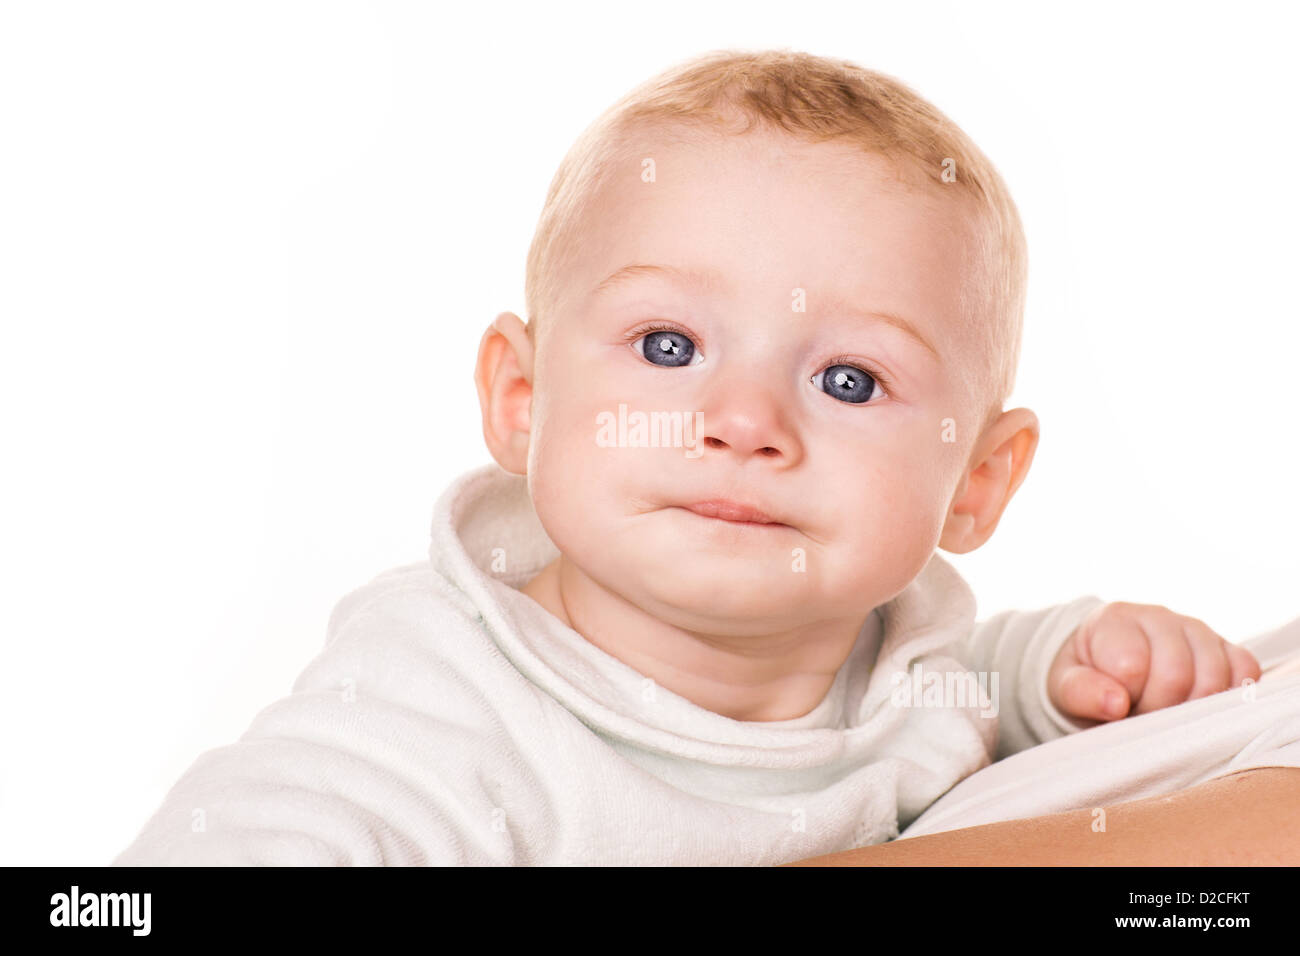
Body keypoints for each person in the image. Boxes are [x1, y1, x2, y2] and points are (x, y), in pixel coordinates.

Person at [112, 48, 1296, 867]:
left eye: (848, 381)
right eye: (668, 345)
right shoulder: (447, 696)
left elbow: (963, 689)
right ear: (522, 400)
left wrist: (1062, 666)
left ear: (976, 480)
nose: (742, 421)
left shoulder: (905, 661)